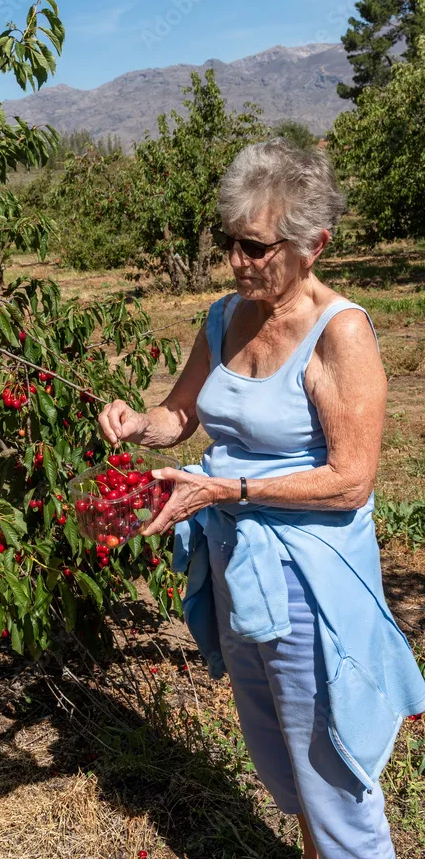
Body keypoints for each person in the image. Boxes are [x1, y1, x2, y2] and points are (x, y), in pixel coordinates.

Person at [98, 139, 425, 859]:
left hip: (311, 583)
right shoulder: (224, 317)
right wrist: (137, 424)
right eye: (229, 242)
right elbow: (180, 415)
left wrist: (228, 488)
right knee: (285, 765)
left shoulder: (341, 334)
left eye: (255, 246)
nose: (238, 261)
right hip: (237, 568)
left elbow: (351, 480)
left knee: (335, 777)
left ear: (314, 245)